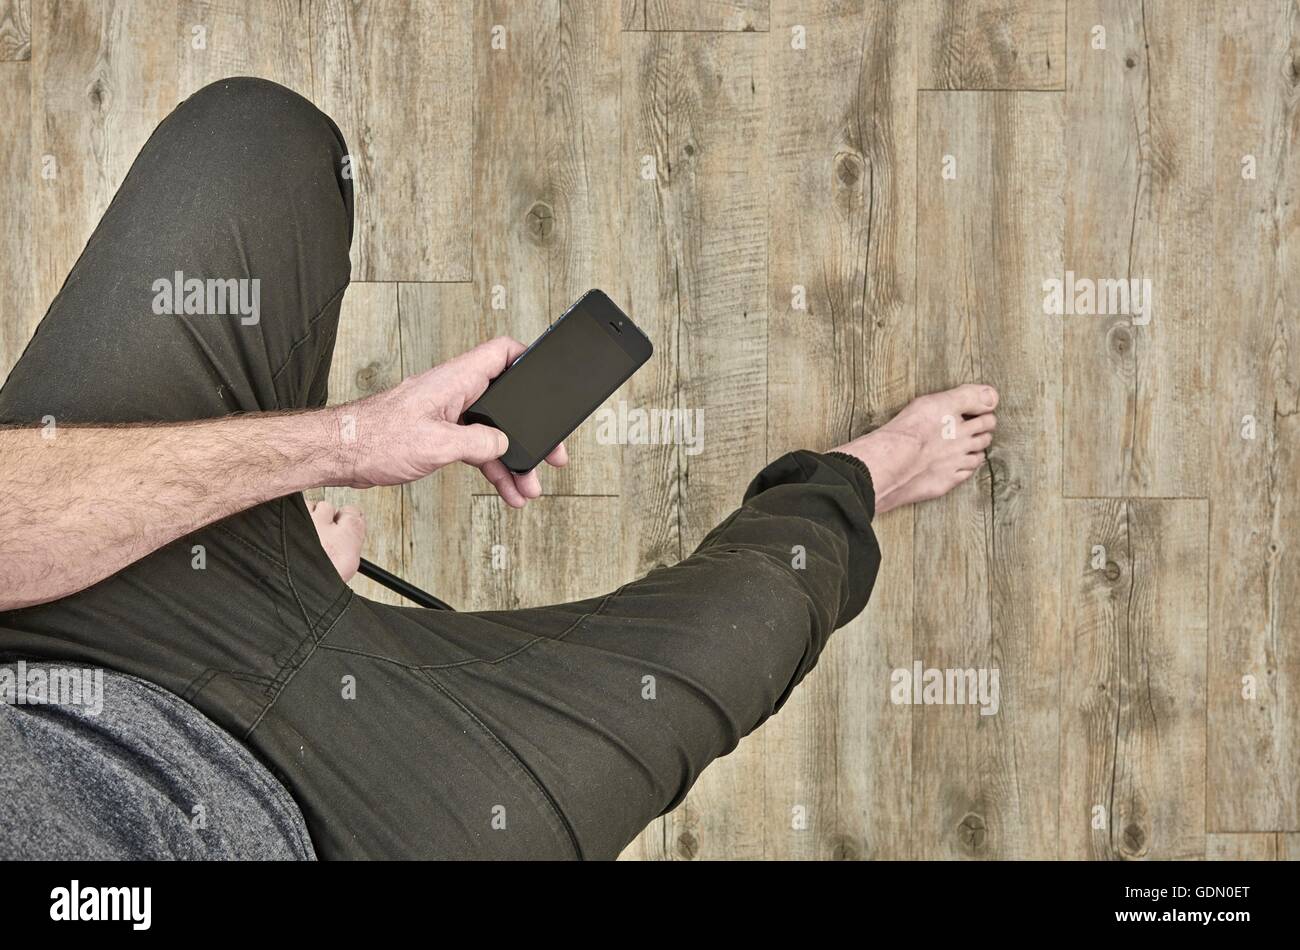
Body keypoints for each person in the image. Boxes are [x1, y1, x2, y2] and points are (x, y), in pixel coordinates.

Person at [0, 79, 997, 859]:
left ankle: (270, 565)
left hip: (58, 637)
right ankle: (854, 485)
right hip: (359, 826)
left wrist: (346, 439)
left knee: (253, 142)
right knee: (756, 618)